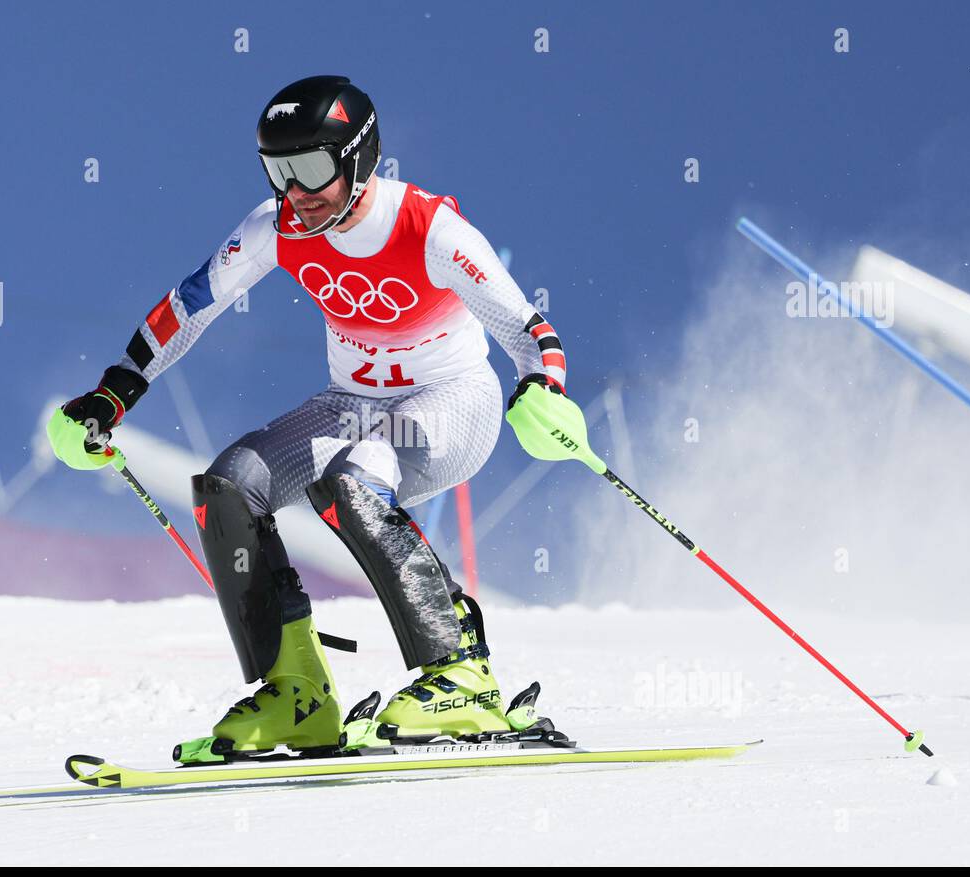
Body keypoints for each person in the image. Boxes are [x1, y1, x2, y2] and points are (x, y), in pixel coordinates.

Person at [46, 75, 593, 761]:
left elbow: (527, 329)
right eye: (279, 171)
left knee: (353, 478)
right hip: (349, 405)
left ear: (359, 159)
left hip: (452, 403)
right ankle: (297, 694)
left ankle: (461, 673)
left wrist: (543, 389)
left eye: (310, 168)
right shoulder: (277, 227)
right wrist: (112, 395)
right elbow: (188, 306)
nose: (295, 193)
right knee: (229, 486)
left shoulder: (428, 228)